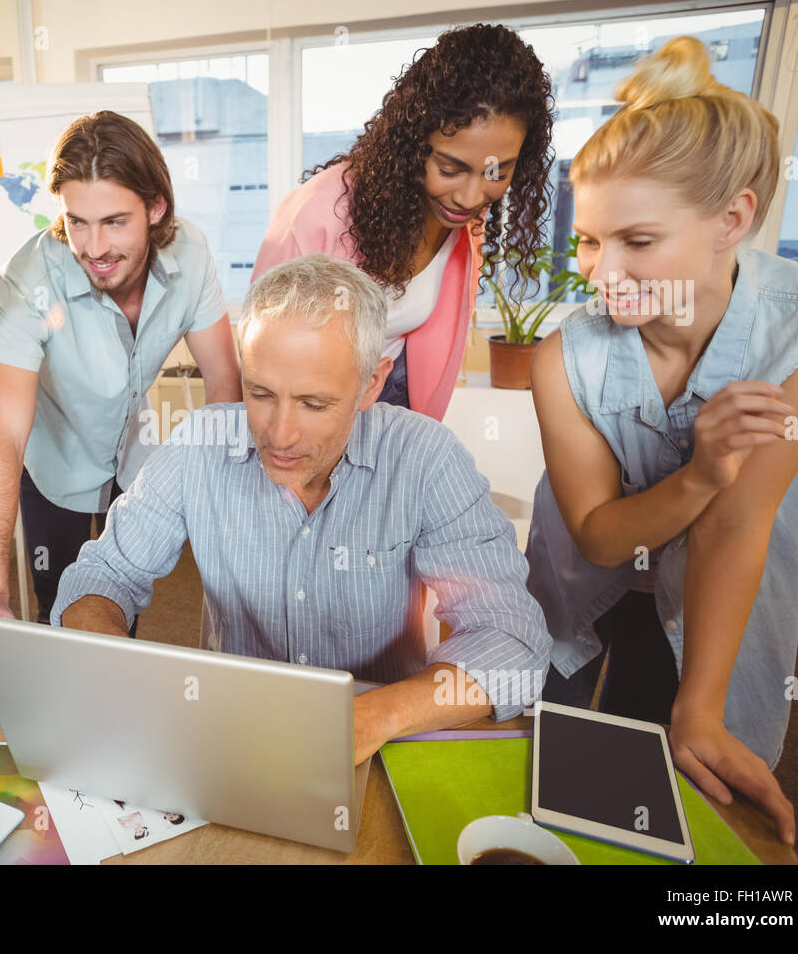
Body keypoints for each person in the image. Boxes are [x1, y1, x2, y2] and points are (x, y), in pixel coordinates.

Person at [525, 37, 798, 847]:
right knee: (545, 748)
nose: (600, 276)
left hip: (714, 582)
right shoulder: (567, 353)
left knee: (672, 765)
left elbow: (737, 522)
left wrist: (699, 708)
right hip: (588, 574)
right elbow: (599, 536)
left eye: (637, 242)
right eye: (589, 241)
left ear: (733, 218)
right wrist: (701, 472)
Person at [54, 254, 551, 764]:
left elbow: (510, 639)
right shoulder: (199, 445)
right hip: (232, 738)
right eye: (261, 393)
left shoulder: (425, 459)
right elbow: (101, 575)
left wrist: (373, 718)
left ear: (372, 384)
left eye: (315, 404)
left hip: (382, 744)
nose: (280, 435)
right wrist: (119, 664)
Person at [0, 110, 242, 667]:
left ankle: (118, 702)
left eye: (114, 221)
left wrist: (233, 499)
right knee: (59, 613)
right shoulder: (26, 284)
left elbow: (223, 379)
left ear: (155, 208)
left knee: (122, 603)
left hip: (134, 459)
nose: (93, 247)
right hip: (53, 466)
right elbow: (1, 435)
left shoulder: (189, 253)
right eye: (77, 222)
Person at [252, 23, 555, 420]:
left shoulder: (466, 226)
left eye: (497, 172)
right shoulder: (317, 213)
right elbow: (261, 355)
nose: (470, 197)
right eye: (449, 168)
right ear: (412, 146)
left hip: (396, 394)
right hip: (308, 405)